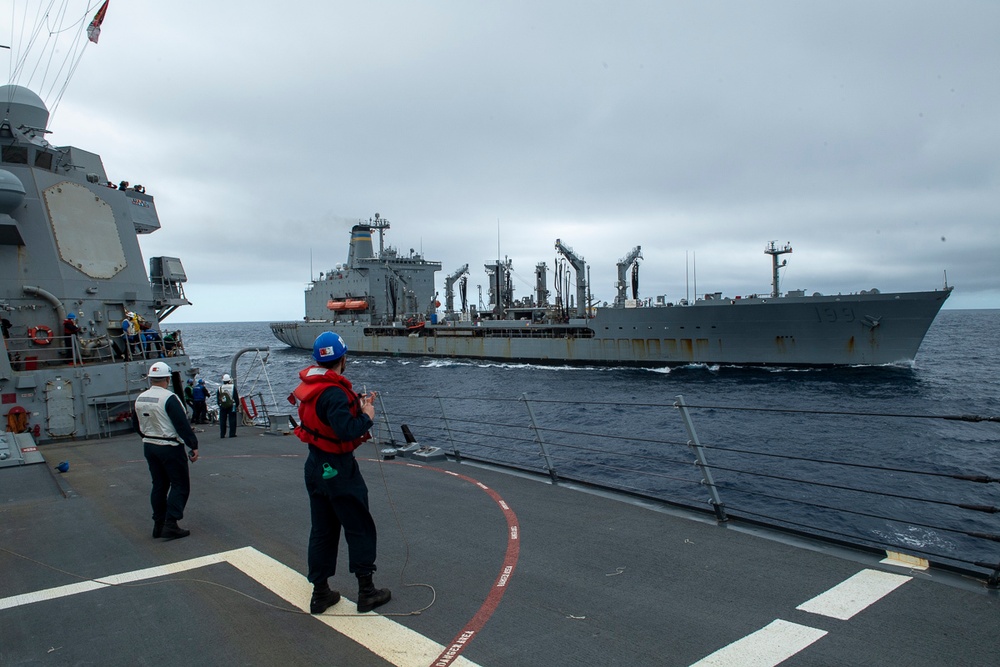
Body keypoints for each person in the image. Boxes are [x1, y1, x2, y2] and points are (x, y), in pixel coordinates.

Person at [293, 331, 390, 615]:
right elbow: (347, 430)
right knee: (359, 526)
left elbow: (326, 420)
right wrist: (367, 414)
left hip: (315, 465)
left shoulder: (314, 387)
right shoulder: (335, 393)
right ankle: (366, 592)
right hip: (338, 469)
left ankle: (320, 593)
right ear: (342, 359)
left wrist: (354, 407)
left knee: (322, 531)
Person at [131, 361, 199, 540]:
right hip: (169, 447)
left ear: (150, 379)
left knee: (159, 485)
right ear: (168, 379)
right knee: (180, 484)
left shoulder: (140, 398)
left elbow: (136, 424)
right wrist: (193, 445)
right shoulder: (169, 398)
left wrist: (149, 436)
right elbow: (181, 425)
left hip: (149, 445)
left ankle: (158, 525)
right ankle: (171, 524)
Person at [216, 373, 239, 438]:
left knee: (223, 420)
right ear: (229, 380)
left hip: (223, 405)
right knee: (232, 419)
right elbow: (236, 397)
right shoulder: (232, 387)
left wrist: (220, 405)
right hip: (231, 405)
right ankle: (232, 434)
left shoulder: (220, 388)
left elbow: (218, 398)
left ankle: (222, 434)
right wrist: (237, 405)